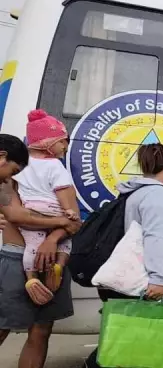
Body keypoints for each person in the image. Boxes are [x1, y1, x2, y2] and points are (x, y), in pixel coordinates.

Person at [85, 143, 163, 368]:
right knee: (128, 344)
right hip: (139, 279)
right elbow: (154, 236)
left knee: (121, 338)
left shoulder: (134, 191)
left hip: (122, 275)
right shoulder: (157, 193)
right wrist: (158, 279)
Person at [0, 133, 80, 368]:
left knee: (41, 331)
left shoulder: (57, 175)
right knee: (3, 327)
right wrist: (60, 221)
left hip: (52, 260)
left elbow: (74, 221)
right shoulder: (4, 183)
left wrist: (53, 239)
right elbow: (16, 215)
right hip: (15, 258)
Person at [14, 110, 80, 303]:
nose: (65, 147)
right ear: (48, 143)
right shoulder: (55, 166)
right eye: (62, 141)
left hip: (31, 210)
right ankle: (58, 265)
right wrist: (68, 213)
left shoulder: (21, 164)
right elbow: (63, 190)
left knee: (32, 246)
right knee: (65, 242)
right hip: (56, 210)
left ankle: (31, 278)